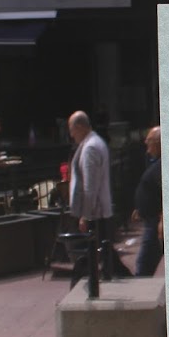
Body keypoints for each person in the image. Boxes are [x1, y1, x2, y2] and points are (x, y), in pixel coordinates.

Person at [67, 110, 124, 282]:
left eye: (71, 129)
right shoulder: (95, 143)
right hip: (99, 209)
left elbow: (89, 186)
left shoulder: (90, 147)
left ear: (79, 126)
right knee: (104, 251)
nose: (71, 135)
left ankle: (89, 281)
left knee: (94, 250)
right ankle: (111, 276)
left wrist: (85, 214)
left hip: (95, 211)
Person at [131, 125, 163, 276]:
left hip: (155, 223)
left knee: (144, 263)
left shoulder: (164, 165)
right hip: (150, 219)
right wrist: (140, 208)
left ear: (158, 142)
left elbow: (166, 193)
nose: (147, 148)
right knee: (144, 262)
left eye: (149, 142)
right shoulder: (156, 163)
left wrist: (162, 221)